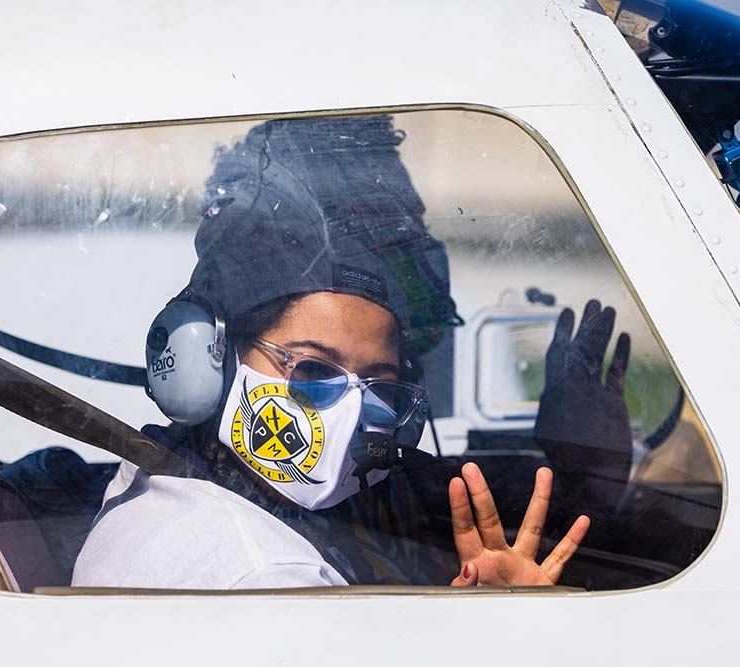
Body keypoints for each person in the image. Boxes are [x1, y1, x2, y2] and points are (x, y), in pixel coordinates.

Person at [72, 115, 632, 589]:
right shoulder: (265, 573)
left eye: (379, 385)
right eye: (312, 369)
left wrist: (585, 470)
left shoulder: (178, 480)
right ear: (210, 362)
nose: (346, 414)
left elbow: (458, 487)